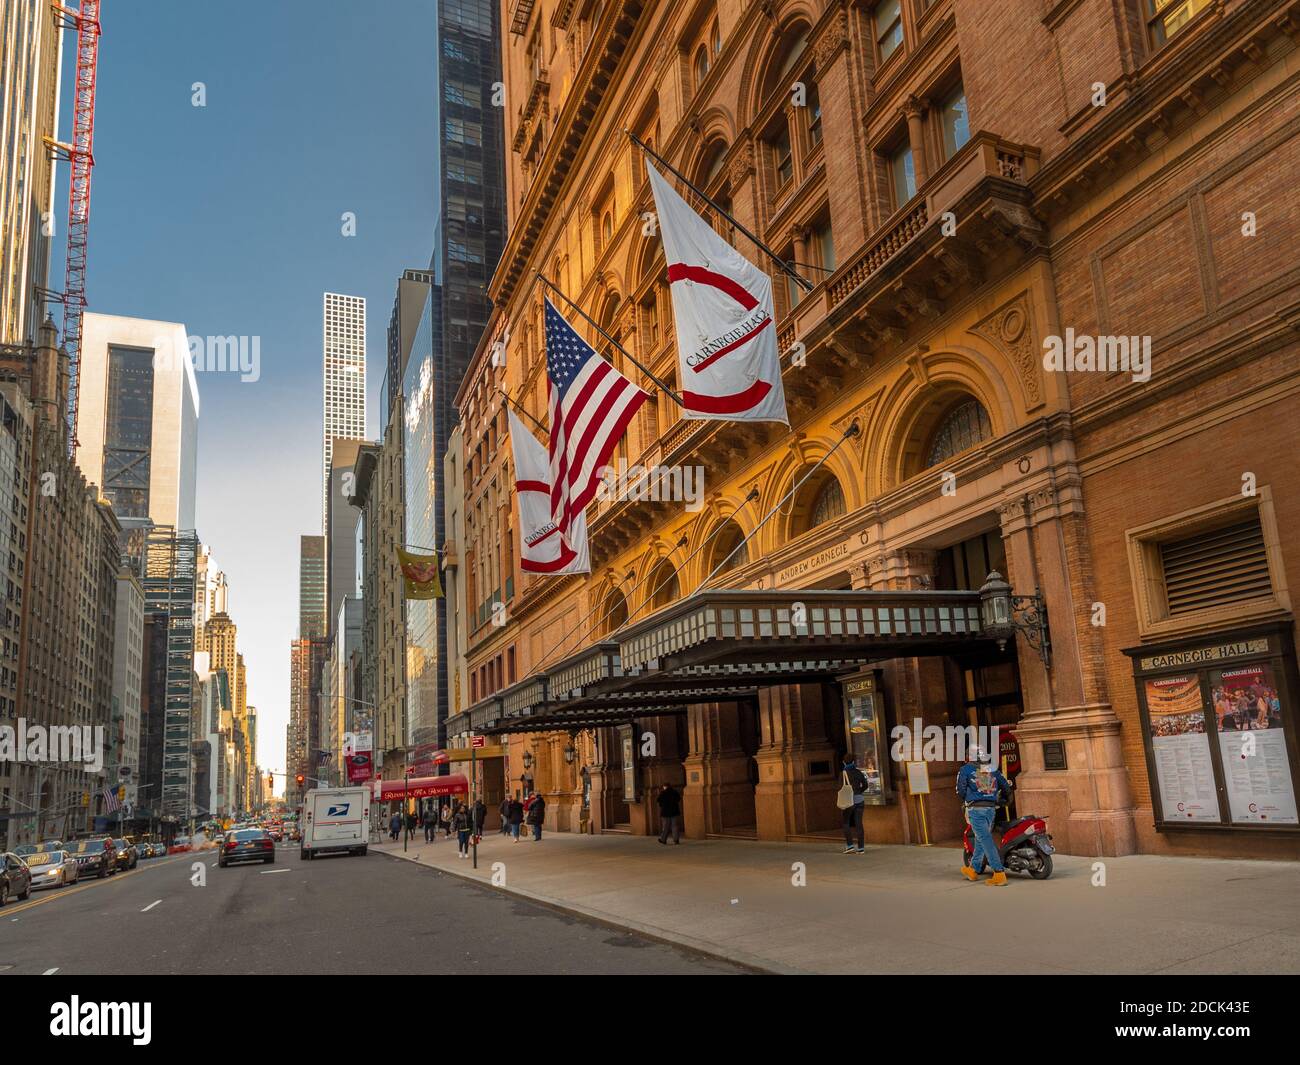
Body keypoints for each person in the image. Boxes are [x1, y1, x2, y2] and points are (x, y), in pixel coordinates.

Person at [957, 746, 1013, 886]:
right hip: (991, 809)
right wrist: (1005, 799)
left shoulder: (965, 769)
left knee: (985, 839)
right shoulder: (992, 768)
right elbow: (1005, 786)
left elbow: (960, 790)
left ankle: (999, 873)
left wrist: (967, 800)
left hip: (976, 809)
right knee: (981, 837)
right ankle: (974, 869)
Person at [839, 755, 868, 854]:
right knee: (859, 824)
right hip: (860, 800)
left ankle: (850, 846)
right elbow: (865, 785)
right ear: (853, 762)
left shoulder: (843, 774)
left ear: (844, 762)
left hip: (848, 801)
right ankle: (861, 848)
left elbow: (840, 787)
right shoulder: (858, 772)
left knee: (845, 822)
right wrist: (859, 791)